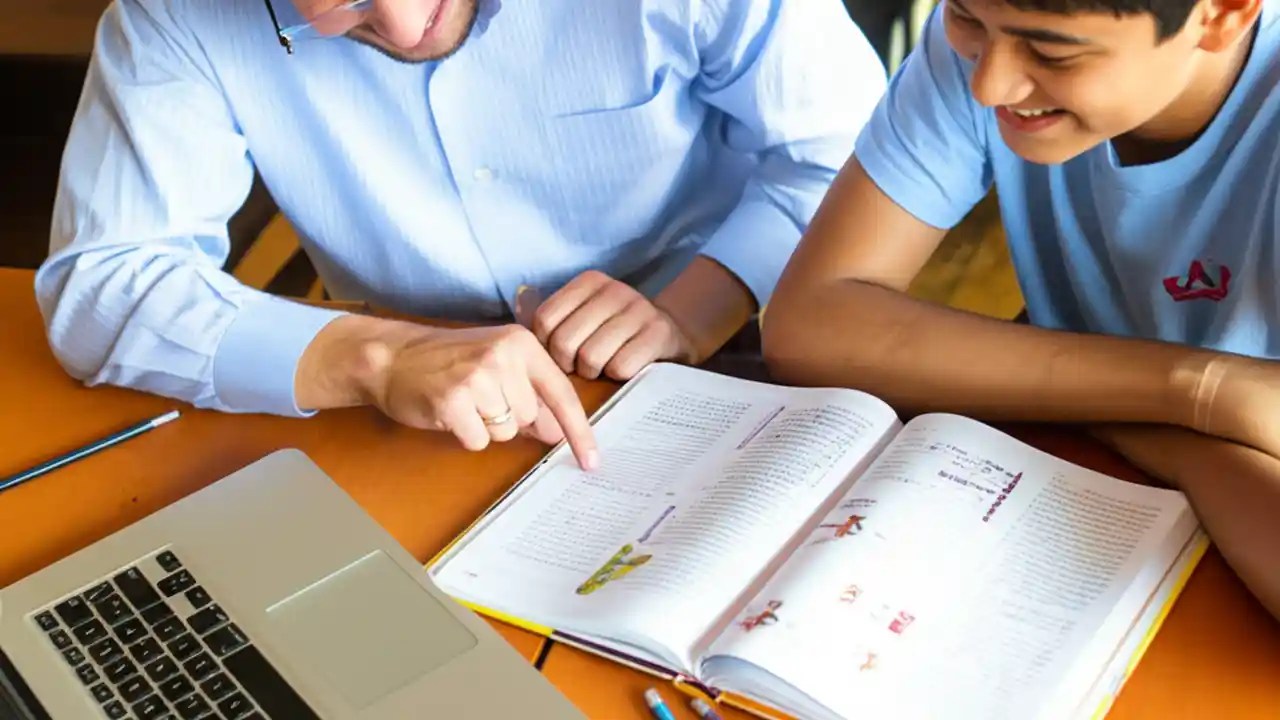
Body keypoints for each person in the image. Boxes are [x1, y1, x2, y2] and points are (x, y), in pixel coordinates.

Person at [34, 0, 886, 470]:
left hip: (728, 347)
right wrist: (378, 358)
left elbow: (847, 152)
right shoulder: (173, 17)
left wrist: (697, 306)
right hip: (411, 416)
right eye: (339, 1)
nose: (407, 29)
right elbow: (104, 284)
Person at [763, 0, 1280, 618]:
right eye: (962, 17)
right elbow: (810, 323)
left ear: (1222, 15)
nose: (988, 84)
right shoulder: (997, 24)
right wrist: (1201, 393)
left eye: (1054, 52)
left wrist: (1079, 400)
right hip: (1081, 475)